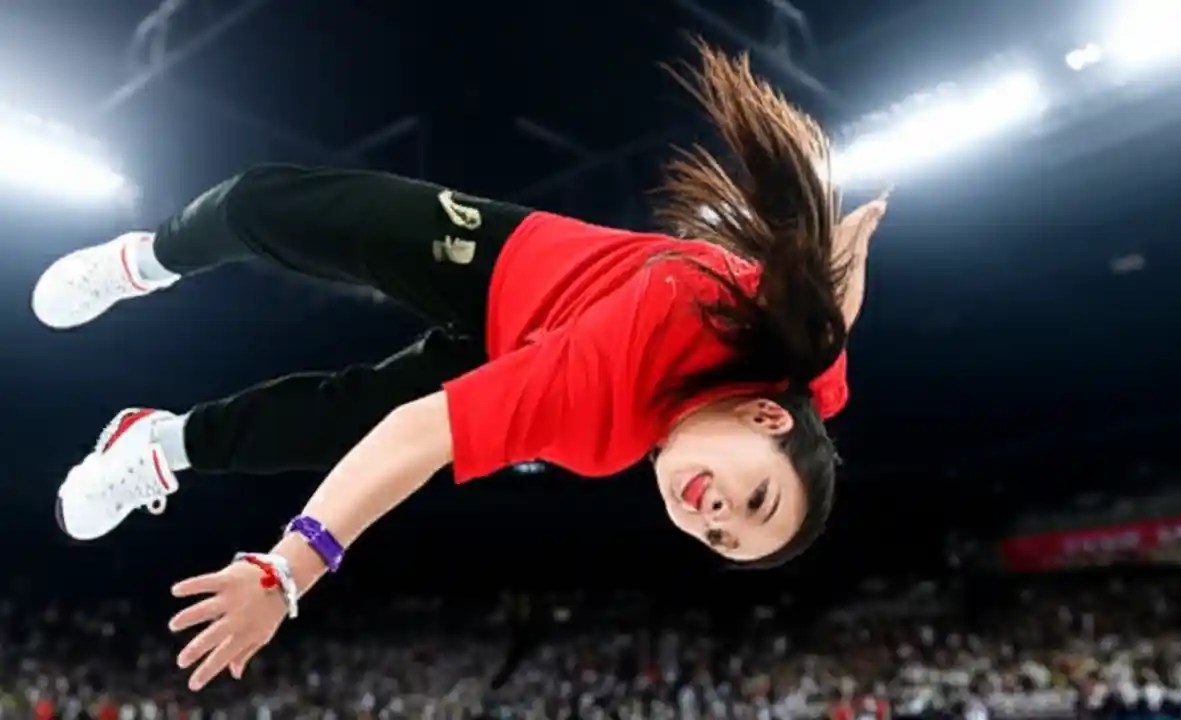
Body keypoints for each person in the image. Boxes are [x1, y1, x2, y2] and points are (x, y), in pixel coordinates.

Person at [34, 42, 887, 690]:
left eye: (721, 539)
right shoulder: (802, 361)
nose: (717, 515)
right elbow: (836, 305)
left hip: (528, 353)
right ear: (772, 417)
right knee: (274, 205)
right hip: (508, 266)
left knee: (346, 421)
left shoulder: (599, 428)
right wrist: (852, 235)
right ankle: (146, 260)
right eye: (756, 499)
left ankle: (161, 443)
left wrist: (280, 572)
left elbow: (413, 434)